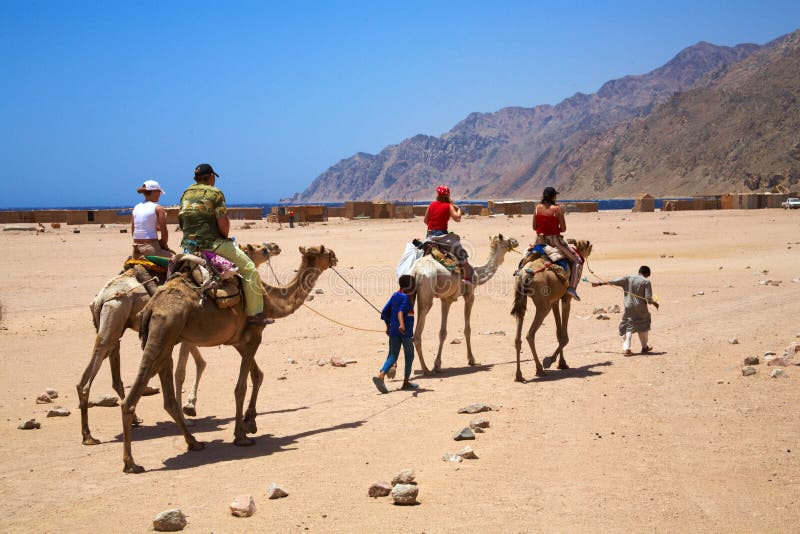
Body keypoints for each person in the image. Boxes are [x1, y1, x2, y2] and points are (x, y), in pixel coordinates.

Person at [178, 163, 273, 326]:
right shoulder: (215, 193)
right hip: (212, 243)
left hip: (189, 246)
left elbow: (182, 222)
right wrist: (223, 237)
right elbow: (223, 224)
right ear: (212, 177)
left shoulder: (185, 194)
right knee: (250, 269)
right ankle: (254, 314)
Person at [592, 266, 659, 356]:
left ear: (639, 271)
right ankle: (644, 347)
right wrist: (654, 303)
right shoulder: (646, 281)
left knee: (629, 325)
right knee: (643, 325)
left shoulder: (628, 278)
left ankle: (627, 348)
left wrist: (599, 283)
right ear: (647, 274)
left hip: (629, 306)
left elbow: (613, 281)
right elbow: (648, 298)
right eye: (647, 276)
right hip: (641, 308)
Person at [533, 186, 583, 301]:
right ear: (553, 197)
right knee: (577, 260)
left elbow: (534, 227)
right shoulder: (557, 209)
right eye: (555, 195)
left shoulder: (536, 209)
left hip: (539, 242)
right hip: (555, 241)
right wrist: (554, 228)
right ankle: (572, 288)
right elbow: (564, 228)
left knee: (526, 256)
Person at [373, 274, 417, 393]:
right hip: (405, 332)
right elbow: (400, 312)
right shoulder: (406, 298)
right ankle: (406, 382)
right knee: (409, 356)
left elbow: (385, 312)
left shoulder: (395, 295)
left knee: (393, 355)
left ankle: (381, 375)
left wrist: (388, 326)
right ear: (409, 287)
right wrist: (402, 325)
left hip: (393, 331)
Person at [423, 185, 474, 284]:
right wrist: (459, 210)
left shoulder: (431, 205)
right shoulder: (449, 206)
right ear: (448, 195)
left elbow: (425, 221)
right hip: (442, 235)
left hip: (429, 236)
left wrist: (433, 227)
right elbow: (457, 219)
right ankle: (467, 277)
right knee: (460, 252)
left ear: (437, 195)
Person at [131, 180, 173, 259]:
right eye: (159, 193)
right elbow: (164, 234)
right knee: (176, 261)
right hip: (151, 249)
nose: (159, 195)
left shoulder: (136, 207)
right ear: (154, 192)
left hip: (136, 248)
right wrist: (163, 245)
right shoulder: (158, 208)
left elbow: (133, 230)